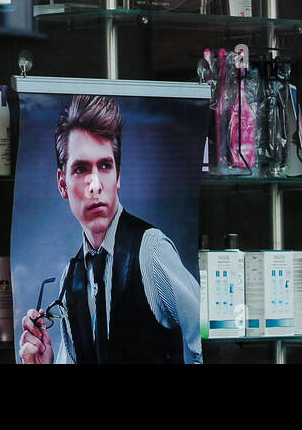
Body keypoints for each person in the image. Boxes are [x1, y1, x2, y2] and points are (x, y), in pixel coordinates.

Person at [20, 94, 202, 363]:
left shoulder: (151, 252)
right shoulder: (71, 278)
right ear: (62, 184)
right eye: (81, 169)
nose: (95, 185)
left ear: (118, 176)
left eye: (105, 166)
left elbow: (208, 336)